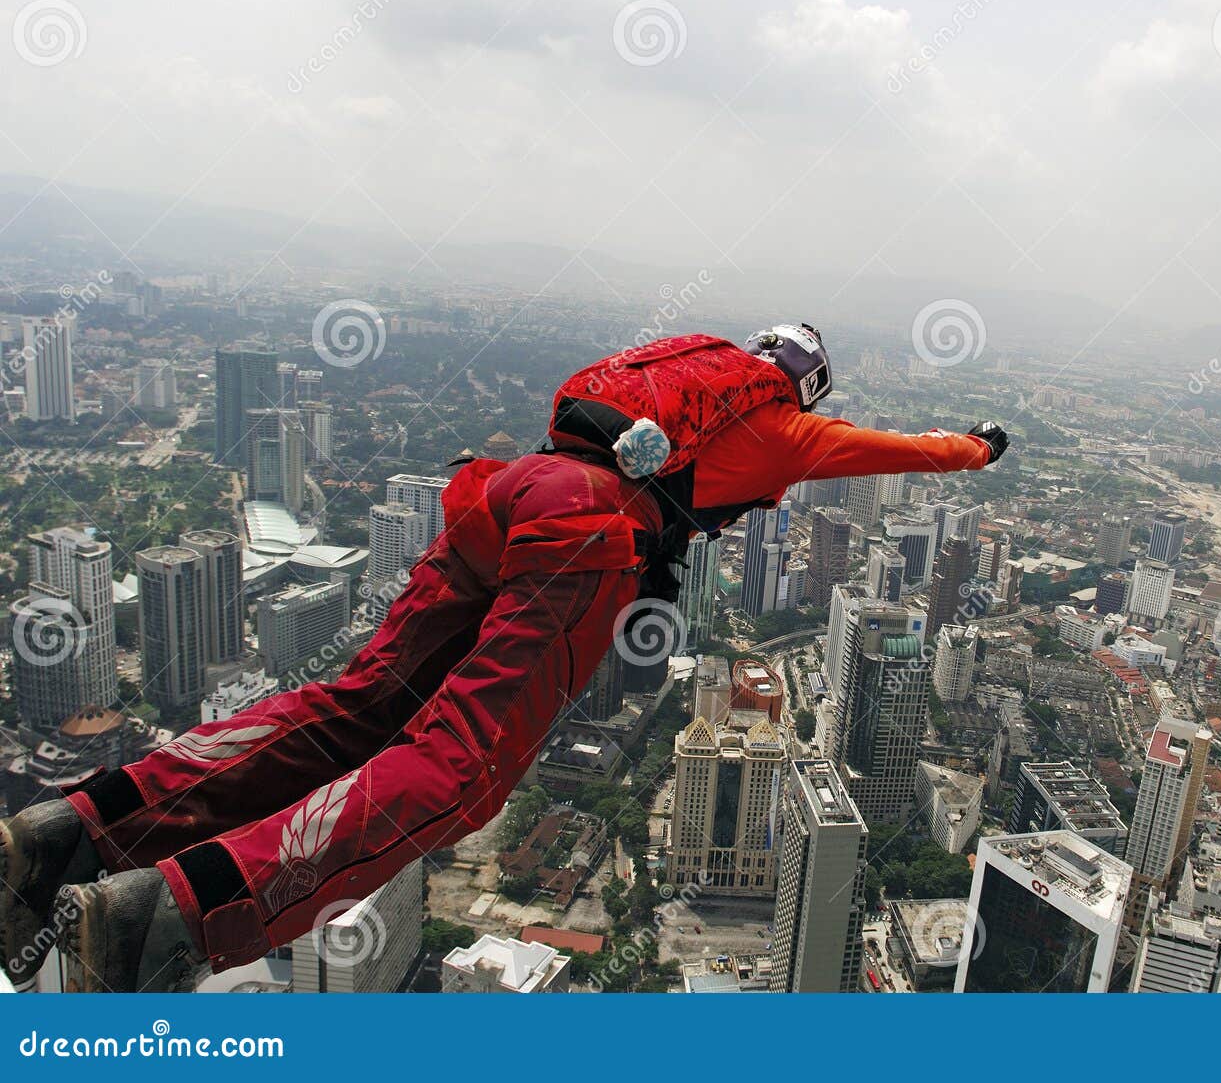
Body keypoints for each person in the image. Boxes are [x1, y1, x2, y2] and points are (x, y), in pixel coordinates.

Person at [0, 325, 1006, 992]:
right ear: (806, 381)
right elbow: (907, 452)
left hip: (502, 493)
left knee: (351, 705)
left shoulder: (664, 365)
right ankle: (169, 915)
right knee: (458, 764)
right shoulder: (784, 425)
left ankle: (72, 829)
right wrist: (977, 446)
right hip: (582, 535)